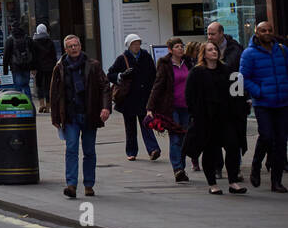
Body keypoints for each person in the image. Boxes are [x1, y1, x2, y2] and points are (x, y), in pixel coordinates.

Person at [49, 34, 111, 198]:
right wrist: (55, 116)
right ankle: (71, 185)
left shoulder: (93, 65)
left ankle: (89, 185)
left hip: (89, 113)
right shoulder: (60, 67)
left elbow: (105, 87)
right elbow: (54, 93)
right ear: (65, 49)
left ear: (81, 46)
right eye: (70, 46)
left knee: (89, 151)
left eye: (76, 45)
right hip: (70, 115)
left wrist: (106, 108)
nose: (74, 48)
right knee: (71, 149)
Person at [184, 41, 248, 194]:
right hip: (207, 118)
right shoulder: (197, 72)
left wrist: (242, 106)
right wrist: (196, 115)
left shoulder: (226, 70)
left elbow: (237, 91)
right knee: (211, 150)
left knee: (233, 146)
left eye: (215, 49)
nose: (214, 52)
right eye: (210, 50)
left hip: (226, 117)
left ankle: (233, 181)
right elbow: (190, 96)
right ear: (203, 54)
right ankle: (212, 183)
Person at [240, 20, 288, 192]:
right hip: (263, 103)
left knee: (281, 142)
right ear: (256, 33)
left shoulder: (282, 50)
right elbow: (243, 78)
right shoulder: (249, 53)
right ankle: (256, 165)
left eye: (269, 30)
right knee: (266, 136)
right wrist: (258, 92)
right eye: (263, 30)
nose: (267, 33)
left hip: (282, 102)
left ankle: (276, 180)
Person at [106, 34, 161, 161]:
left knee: (147, 124)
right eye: (133, 44)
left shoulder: (146, 56)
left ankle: (153, 149)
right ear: (129, 45)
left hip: (144, 98)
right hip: (128, 99)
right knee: (130, 127)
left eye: (138, 43)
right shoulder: (122, 58)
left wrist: (154, 93)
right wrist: (121, 75)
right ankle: (131, 151)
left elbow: (153, 75)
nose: (136, 46)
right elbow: (110, 74)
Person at [147, 37, 194, 183]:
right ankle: (178, 168)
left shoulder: (188, 62)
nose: (181, 49)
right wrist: (150, 107)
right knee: (175, 137)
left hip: (187, 106)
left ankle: (182, 167)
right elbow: (158, 84)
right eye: (177, 46)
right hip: (171, 106)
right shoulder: (165, 63)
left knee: (184, 137)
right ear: (170, 49)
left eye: (182, 46)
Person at [2, 20, 35, 101]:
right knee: (26, 86)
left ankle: (20, 105)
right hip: (27, 66)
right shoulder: (27, 38)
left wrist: (5, 70)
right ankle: (29, 105)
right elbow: (33, 52)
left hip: (15, 67)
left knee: (18, 87)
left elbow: (6, 55)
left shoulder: (10, 39)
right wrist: (33, 67)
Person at [30, 24, 58, 113]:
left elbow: (33, 56)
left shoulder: (34, 42)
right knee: (48, 86)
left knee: (39, 85)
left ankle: (41, 104)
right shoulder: (50, 42)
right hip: (49, 67)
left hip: (38, 68)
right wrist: (55, 66)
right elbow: (54, 56)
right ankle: (48, 106)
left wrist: (33, 68)